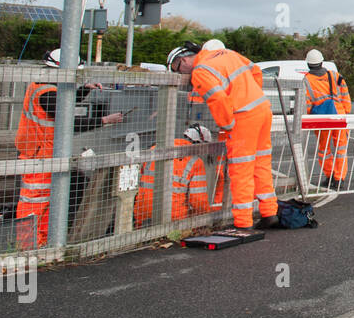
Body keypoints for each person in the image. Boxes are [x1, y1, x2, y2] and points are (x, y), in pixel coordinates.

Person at [15, 48, 126, 249]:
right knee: (33, 203)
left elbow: (64, 102)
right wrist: (104, 120)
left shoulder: (44, 87)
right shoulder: (46, 94)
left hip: (44, 154)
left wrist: (85, 89)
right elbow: (67, 120)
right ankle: (27, 248)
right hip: (39, 156)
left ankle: (42, 244)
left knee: (48, 201)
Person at [168, 40, 278, 230]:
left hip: (242, 118)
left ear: (183, 60)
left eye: (177, 69)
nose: (180, 73)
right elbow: (256, 72)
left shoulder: (201, 71)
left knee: (240, 170)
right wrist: (252, 96)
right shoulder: (228, 54)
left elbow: (217, 98)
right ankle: (270, 213)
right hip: (262, 109)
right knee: (261, 164)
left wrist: (227, 124)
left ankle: (243, 223)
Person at [132, 123, 213, 227]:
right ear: (200, 143)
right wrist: (205, 219)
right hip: (174, 219)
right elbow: (198, 200)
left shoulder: (154, 149)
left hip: (142, 215)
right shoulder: (195, 161)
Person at [302, 49, 351, 189]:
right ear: (322, 62)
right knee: (340, 148)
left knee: (324, 149)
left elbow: (307, 103)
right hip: (339, 116)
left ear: (308, 64)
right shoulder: (335, 76)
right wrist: (345, 112)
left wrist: (310, 118)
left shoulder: (306, 80)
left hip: (321, 118)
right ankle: (339, 178)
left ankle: (329, 176)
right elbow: (345, 95)